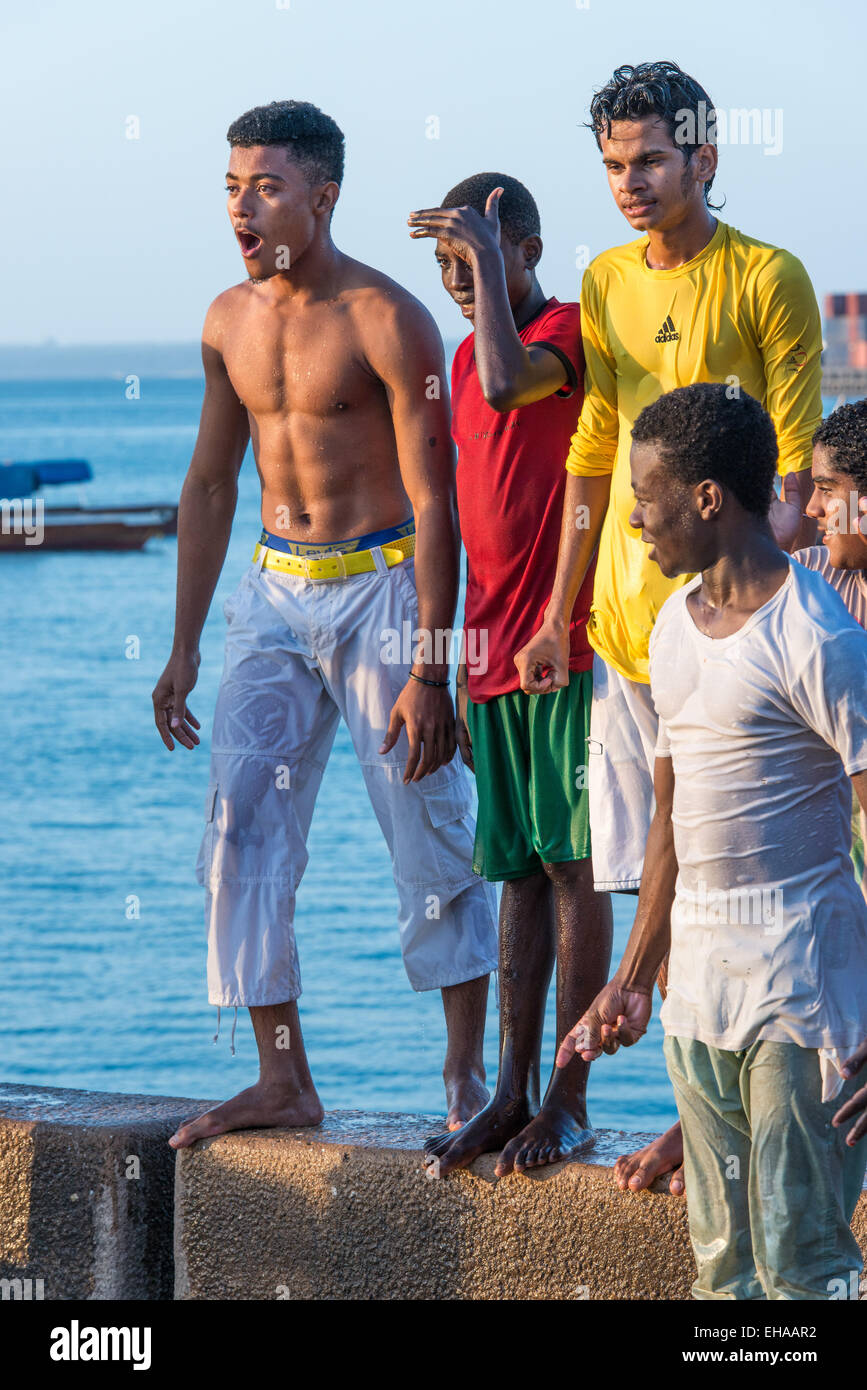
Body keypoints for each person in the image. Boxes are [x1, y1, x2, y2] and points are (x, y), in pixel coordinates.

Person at [151, 100, 498, 1150]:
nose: (240, 207)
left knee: (429, 829)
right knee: (240, 830)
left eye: (262, 186)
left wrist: (434, 669)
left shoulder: (389, 319)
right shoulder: (227, 320)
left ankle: (466, 1075)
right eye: (229, 188)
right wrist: (183, 644)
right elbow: (211, 483)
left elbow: (438, 502)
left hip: (385, 589)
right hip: (274, 590)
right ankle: (282, 1078)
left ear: (321, 196)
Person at [513, 60, 823, 1196]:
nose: (630, 183)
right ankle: (686, 1117)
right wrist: (559, 613)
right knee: (650, 882)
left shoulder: (767, 278)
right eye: (611, 166)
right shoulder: (601, 279)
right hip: (625, 634)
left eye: (649, 159)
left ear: (704, 156)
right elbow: (592, 451)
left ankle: (733, 1125)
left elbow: (794, 470)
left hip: (733, 642)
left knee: (736, 877)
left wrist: (758, 623)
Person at [558, 383, 867, 1300]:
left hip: (801, 982)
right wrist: (632, 978)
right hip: (696, 989)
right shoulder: (668, 627)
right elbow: (668, 821)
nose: (634, 522)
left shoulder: (819, 635)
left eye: (645, 499)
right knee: (721, 1265)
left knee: (801, 1259)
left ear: (706, 499)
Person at [407, 174, 612, 1177]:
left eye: (475, 260)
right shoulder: (460, 349)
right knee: (517, 873)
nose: (457, 282)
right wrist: (435, 670)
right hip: (486, 655)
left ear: (525, 247)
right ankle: (510, 1089)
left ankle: (570, 1097)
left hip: (563, 643)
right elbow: (448, 520)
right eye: (445, 267)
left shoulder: (568, 332)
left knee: (575, 863)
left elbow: (506, 383)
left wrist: (489, 265)